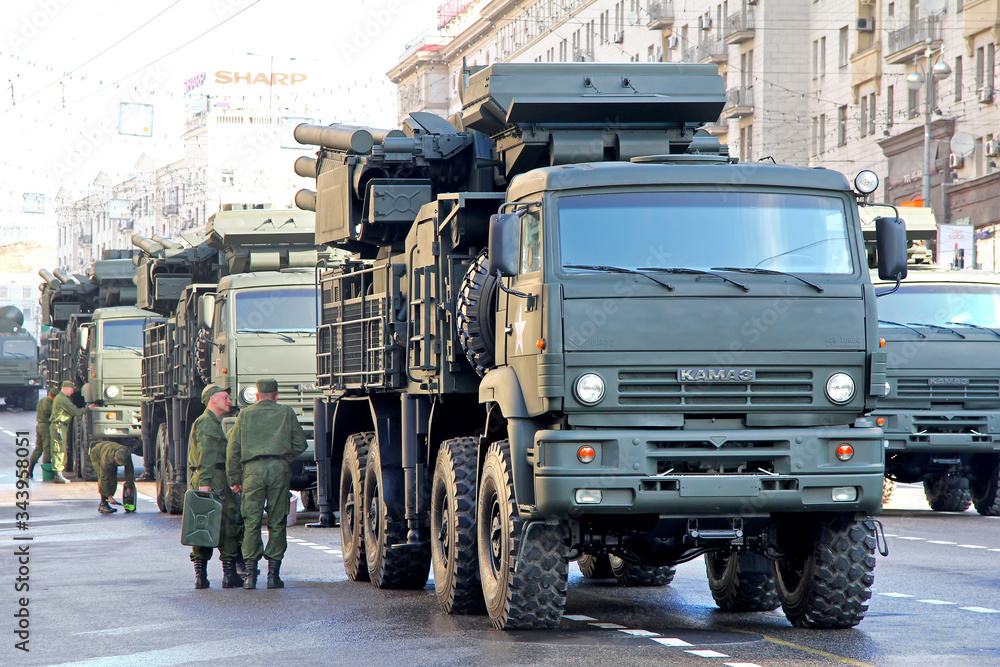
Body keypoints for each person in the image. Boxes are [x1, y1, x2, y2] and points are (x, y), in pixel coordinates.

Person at [227, 378, 307, 590]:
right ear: (276, 395)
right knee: (277, 521)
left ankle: (250, 576)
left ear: (258, 395)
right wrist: (282, 457)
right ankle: (273, 576)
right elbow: (301, 444)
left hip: (252, 471)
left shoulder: (244, 415)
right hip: (278, 470)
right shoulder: (286, 412)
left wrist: (235, 479)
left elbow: (233, 450)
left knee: (251, 521)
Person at [187, 384, 244, 590]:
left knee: (202, 526)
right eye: (225, 397)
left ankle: (201, 577)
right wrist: (205, 486)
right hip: (212, 479)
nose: (229, 401)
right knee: (226, 525)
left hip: (210, 478)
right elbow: (207, 456)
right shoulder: (207, 424)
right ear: (212, 399)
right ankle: (229, 575)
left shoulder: (210, 422)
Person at [49, 381, 89, 484]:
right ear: (66, 388)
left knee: (60, 450)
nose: (72, 392)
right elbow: (76, 412)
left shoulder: (60, 398)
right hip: (59, 427)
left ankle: (59, 474)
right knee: (59, 450)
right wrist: (89, 408)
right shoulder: (63, 399)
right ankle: (58, 475)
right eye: (71, 390)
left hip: (60, 426)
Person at [89, 441, 134, 514]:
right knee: (104, 477)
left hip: (108, 450)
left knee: (113, 480)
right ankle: (104, 504)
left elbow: (129, 471)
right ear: (115, 458)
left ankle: (104, 502)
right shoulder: (106, 460)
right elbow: (104, 478)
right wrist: (109, 497)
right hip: (96, 455)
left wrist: (129, 486)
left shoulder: (126, 455)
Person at [28, 387, 58, 479]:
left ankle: (30, 469)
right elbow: (48, 411)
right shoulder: (48, 402)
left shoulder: (42, 400)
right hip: (45, 426)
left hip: (40, 425)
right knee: (47, 448)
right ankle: (47, 470)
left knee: (38, 448)